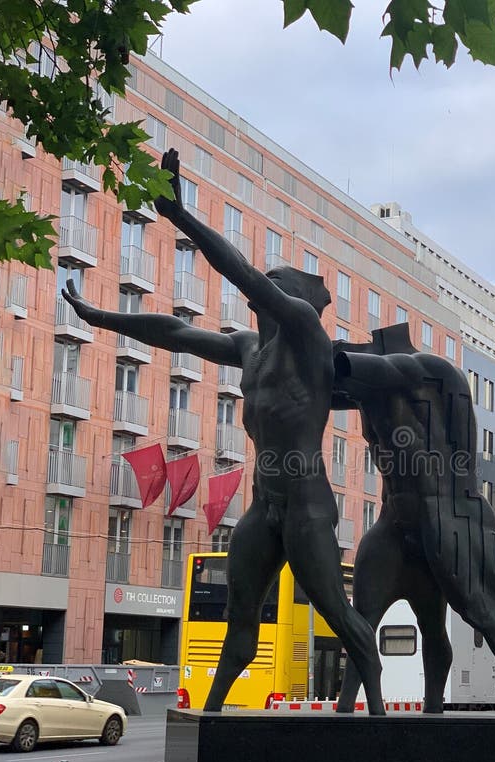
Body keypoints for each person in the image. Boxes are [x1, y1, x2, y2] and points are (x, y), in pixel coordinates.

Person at [62, 148, 385, 715]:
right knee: (241, 615)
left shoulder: (306, 335)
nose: (269, 296)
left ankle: (373, 703)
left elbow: (241, 274)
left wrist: (182, 218)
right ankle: (209, 715)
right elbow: (174, 332)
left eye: (278, 289)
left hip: (307, 502)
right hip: (266, 505)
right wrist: (100, 318)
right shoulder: (249, 349)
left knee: (336, 610)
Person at [332, 324, 495, 717]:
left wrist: (329, 354)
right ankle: (347, 708)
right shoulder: (365, 392)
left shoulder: (429, 371)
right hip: (393, 522)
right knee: (361, 618)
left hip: (444, 514)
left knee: (482, 612)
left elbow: (379, 369)